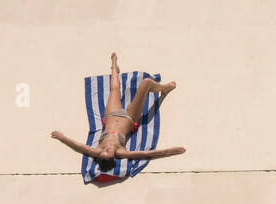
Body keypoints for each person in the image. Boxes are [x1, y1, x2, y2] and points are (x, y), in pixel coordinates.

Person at [51, 52, 183, 172]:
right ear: (113, 157)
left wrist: (62, 137)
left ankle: (114, 65)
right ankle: (163, 88)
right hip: (130, 117)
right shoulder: (121, 152)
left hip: (111, 114)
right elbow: (145, 154)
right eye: (108, 152)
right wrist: (171, 151)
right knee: (146, 83)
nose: (107, 149)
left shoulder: (97, 151)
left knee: (114, 89)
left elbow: (79, 146)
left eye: (104, 152)